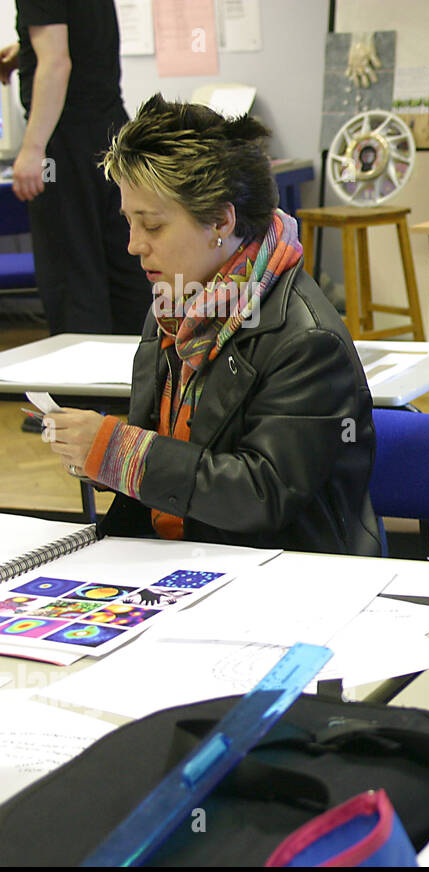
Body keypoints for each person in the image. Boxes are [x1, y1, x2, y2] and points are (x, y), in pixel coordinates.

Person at [39, 94, 383, 556]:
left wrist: (120, 453)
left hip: (281, 572)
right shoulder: (173, 304)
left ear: (221, 220)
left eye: (152, 226)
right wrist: (100, 456)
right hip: (178, 558)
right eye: (129, 223)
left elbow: (261, 495)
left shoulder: (307, 341)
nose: (133, 245)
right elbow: (169, 448)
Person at [0, 0, 153, 334]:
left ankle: (81, 369)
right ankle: (139, 364)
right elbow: (81, 41)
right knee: (123, 268)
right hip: (112, 136)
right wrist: (26, 51)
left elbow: (56, 63)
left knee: (72, 279)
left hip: (64, 146)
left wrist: (33, 148)